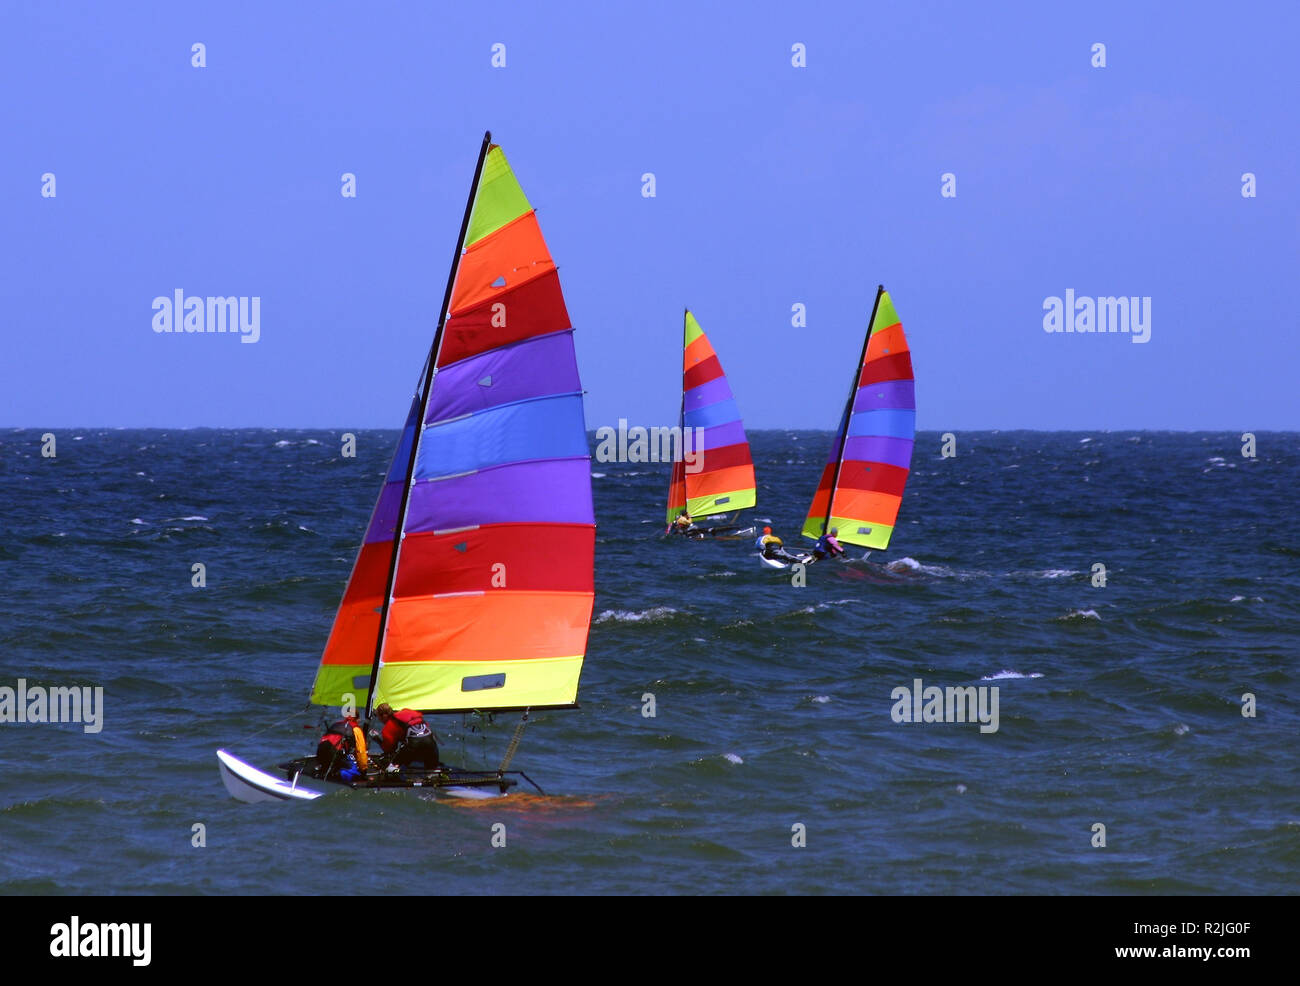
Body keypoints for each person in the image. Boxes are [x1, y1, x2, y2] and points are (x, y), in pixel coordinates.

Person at [373, 703, 440, 770]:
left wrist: (377, 739)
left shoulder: (388, 727)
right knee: (431, 769)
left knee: (391, 768)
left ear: (384, 716)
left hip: (414, 745)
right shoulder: (406, 712)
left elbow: (389, 749)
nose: (379, 720)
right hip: (431, 742)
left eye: (378, 717)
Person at [316, 714, 367, 781]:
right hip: (335, 755)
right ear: (357, 719)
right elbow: (361, 751)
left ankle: (326, 771)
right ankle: (339, 775)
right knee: (354, 772)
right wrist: (363, 770)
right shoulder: (356, 729)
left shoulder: (335, 725)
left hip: (321, 752)